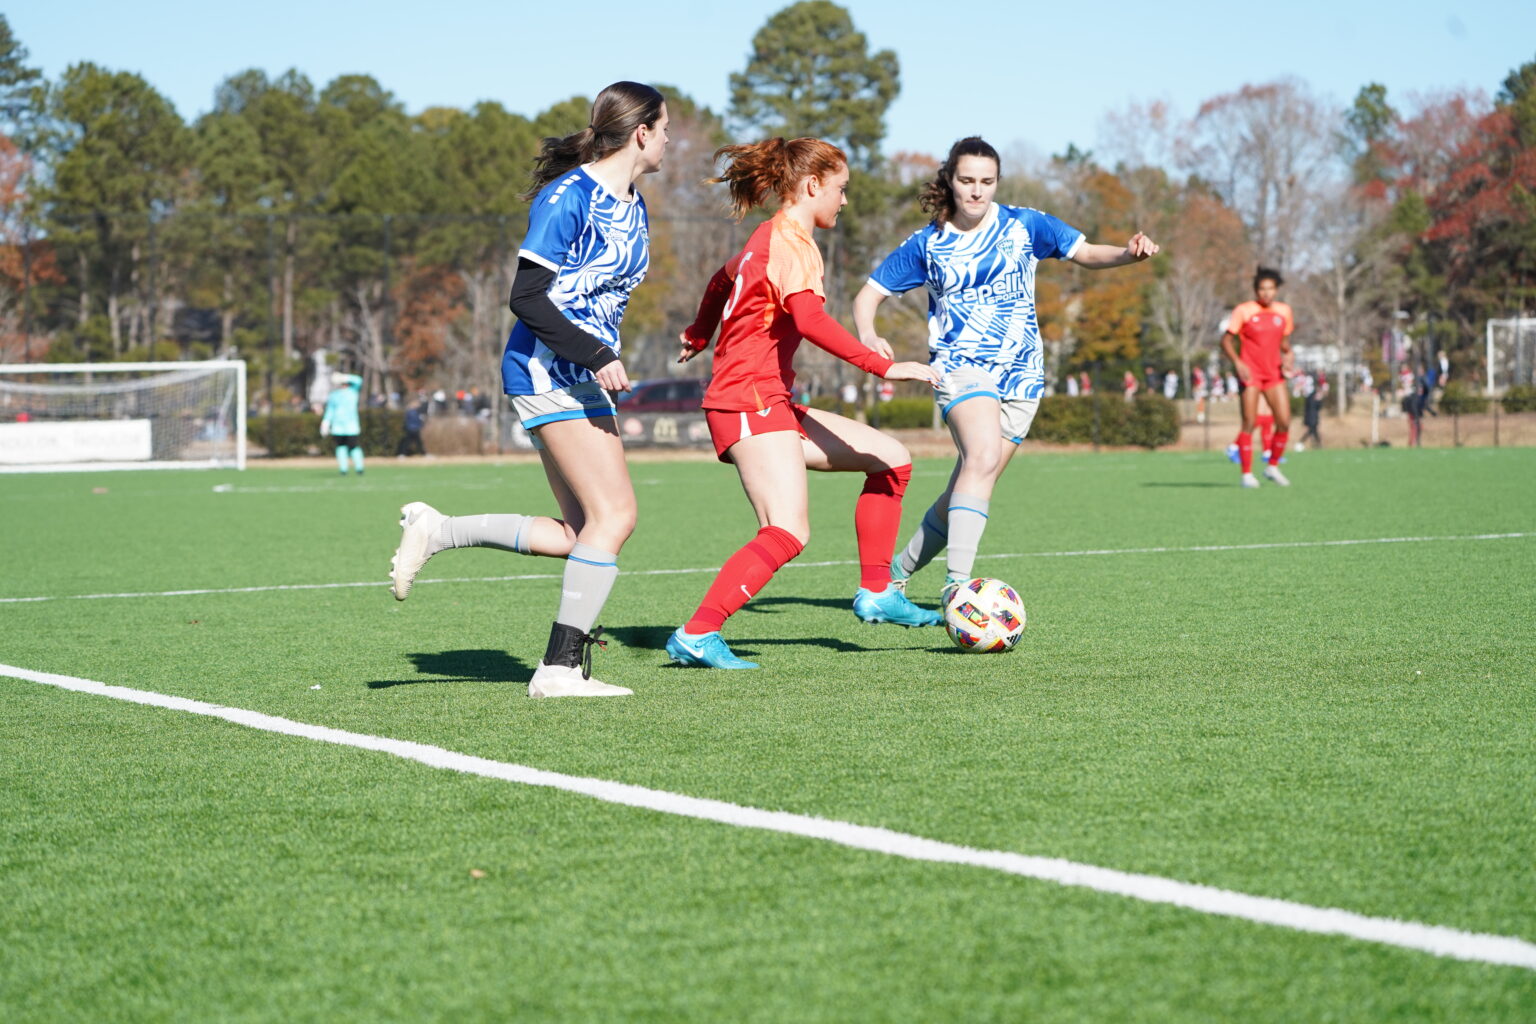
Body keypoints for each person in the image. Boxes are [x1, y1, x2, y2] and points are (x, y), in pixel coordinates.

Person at [388, 81, 669, 698]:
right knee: (615, 517)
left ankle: (440, 530)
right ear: (643, 132)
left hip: (581, 375)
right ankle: (560, 668)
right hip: (546, 370)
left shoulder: (635, 201)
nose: (669, 141)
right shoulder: (568, 196)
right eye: (666, 129)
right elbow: (525, 297)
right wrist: (597, 353)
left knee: (581, 533)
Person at [665, 136, 943, 670]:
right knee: (788, 530)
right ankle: (697, 633)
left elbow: (721, 280)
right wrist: (883, 366)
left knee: (891, 460)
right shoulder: (790, 244)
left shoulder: (769, 238)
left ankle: (878, 592)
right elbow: (811, 322)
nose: (844, 200)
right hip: (747, 401)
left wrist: (701, 332)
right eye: (840, 189)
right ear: (812, 185)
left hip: (768, 400)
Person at [853, 136, 1159, 604]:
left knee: (972, 480)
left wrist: (1128, 254)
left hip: (1022, 375)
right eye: (967, 181)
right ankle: (959, 588)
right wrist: (870, 336)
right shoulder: (928, 244)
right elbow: (867, 294)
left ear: (997, 182)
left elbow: (1086, 252)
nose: (976, 191)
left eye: (986, 182)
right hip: (960, 366)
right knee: (981, 460)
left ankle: (895, 575)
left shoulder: (1025, 224)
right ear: (950, 182)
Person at [1220, 267, 1295, 487]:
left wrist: (1289, 356)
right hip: (1251, 374)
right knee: (1249, 422)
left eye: (1271, 289)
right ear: (1255, 290)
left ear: (1276, 290)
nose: (1266, 293)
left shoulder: (1284, 312)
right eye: (1262, 289)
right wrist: (1238, 362)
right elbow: (1225, 340)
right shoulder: (1243, 310)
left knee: (1284, 422)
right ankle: (1246, 475)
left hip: (1273, 374)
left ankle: (1272, 467)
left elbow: (1284, 344)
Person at [320, 371, 364, 475]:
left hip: (351, 426)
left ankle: (359, 467)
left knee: (353, 446)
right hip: (338, 426)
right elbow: (330, 410)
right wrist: (326, 422)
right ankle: (343, 469)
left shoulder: (353, 392)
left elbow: (359, 380)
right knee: (341, 447)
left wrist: (345, 376)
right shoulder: (334, 395)